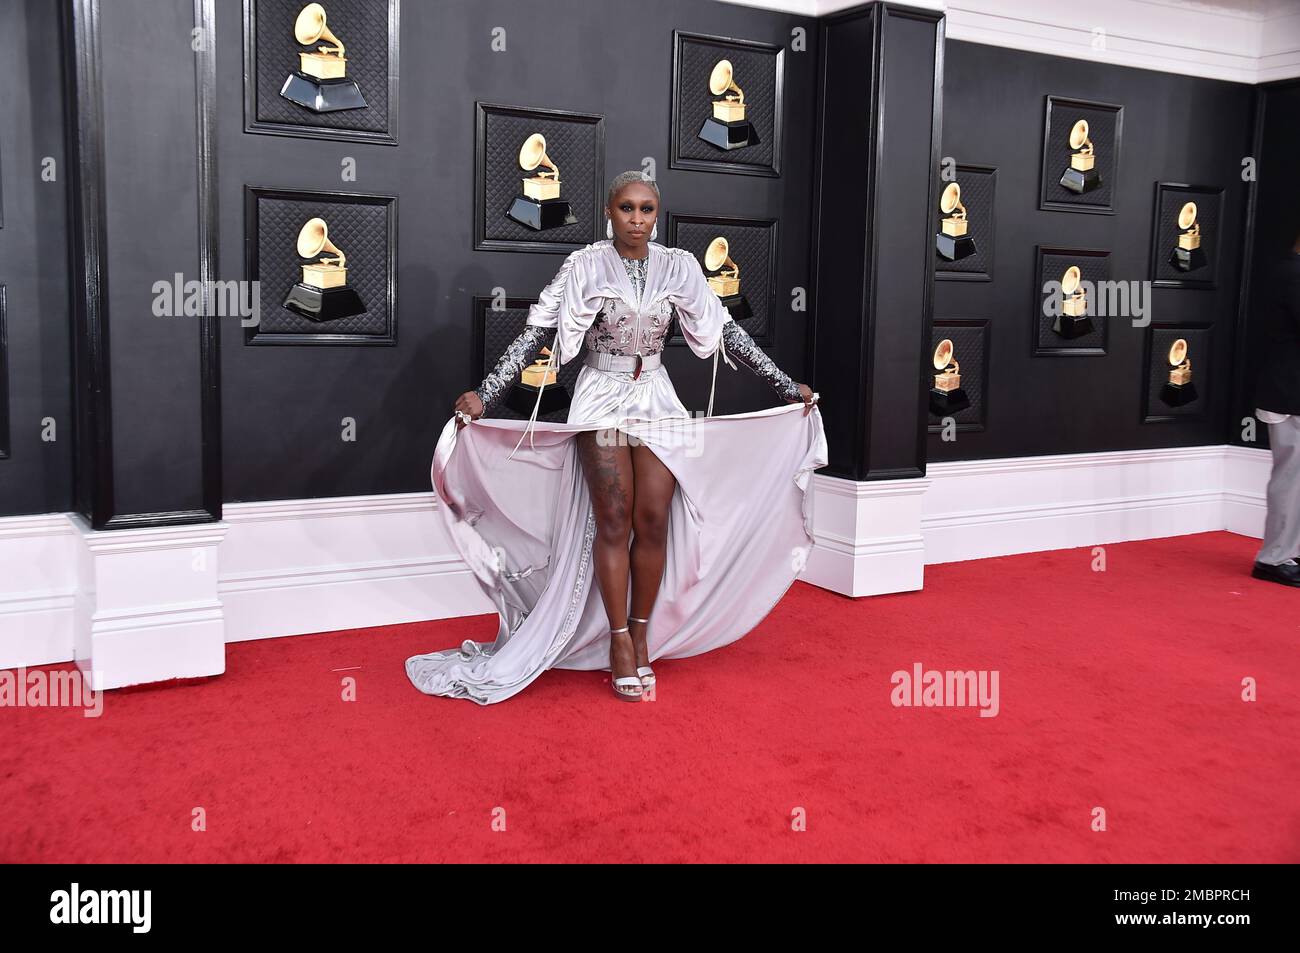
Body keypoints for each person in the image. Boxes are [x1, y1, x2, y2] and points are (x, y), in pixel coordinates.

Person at [405, 170, 827, 703]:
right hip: (601, 396)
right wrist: (487, 394)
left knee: (652, 519)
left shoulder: (680, 266)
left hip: (657, 398)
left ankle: (644, 630)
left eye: (647, 209)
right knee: (614, 517)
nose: (637, 219)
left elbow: (727, 332)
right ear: (610, 212)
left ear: (657, 213)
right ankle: (620, 643)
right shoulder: (584, 265)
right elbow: (537, 332)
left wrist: (786, 386)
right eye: (627, 208)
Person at [1252, 225, 1300, 587]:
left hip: (1287, 388)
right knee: (1291, 477)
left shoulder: (1286, 271)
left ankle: (1286, 552)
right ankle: (1274, 558)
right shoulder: (1292, 274)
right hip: (1288, 392)